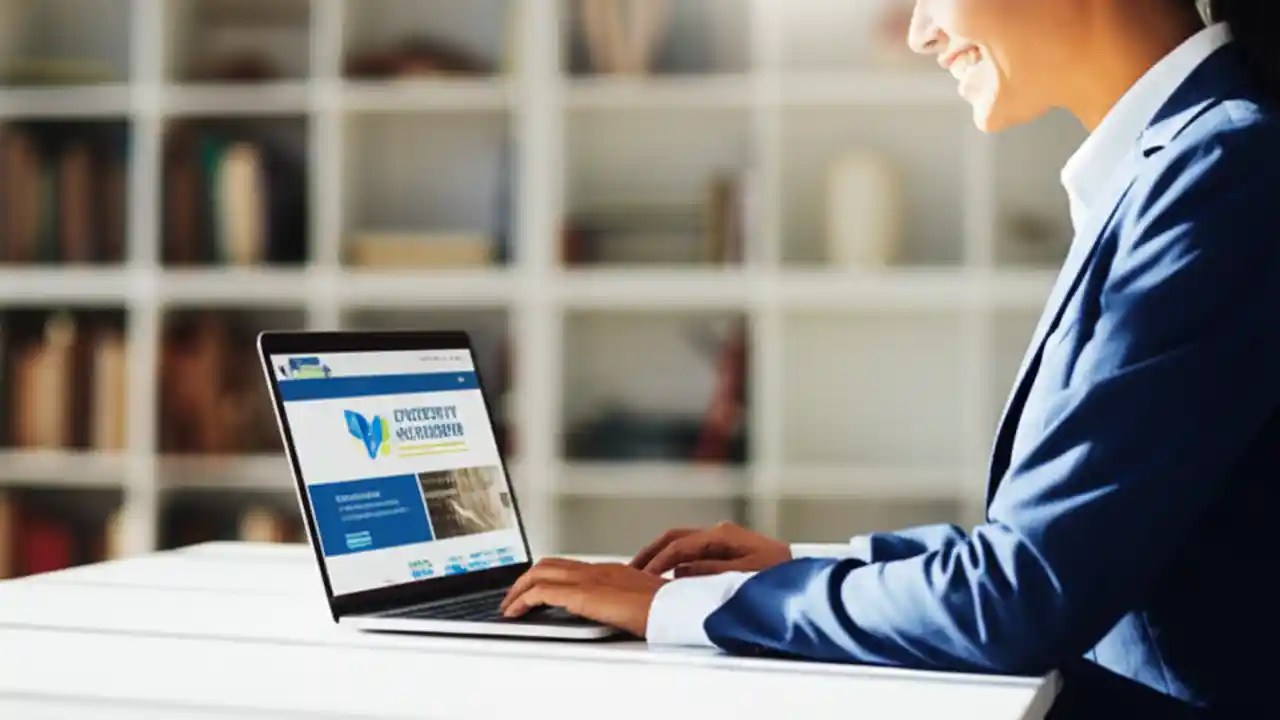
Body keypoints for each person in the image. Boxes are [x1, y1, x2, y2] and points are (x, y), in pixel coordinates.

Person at [501, 0, 1280, 714]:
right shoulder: (1180, 164)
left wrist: (679, 611)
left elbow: (1023, 596)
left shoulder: (1218, 171)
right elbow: (1068, 547)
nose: (918, 32)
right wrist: (792, 569)